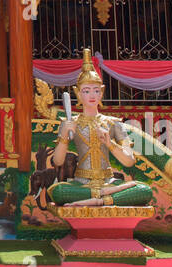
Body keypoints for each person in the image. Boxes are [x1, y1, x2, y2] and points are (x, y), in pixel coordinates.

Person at [48, 49, 154, 207]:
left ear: (102, 92)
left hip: (108, 181)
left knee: (144, 190)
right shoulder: (71, 122)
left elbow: (129, 161)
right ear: (78, 94)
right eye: (86, 91)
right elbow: (58, 161)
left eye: (96, 90)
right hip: (81, 183)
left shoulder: (113, 123)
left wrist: (110, 144)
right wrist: (64, 136)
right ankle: (102, 196)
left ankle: (99, 199)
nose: (92, 95)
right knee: (57, 192)